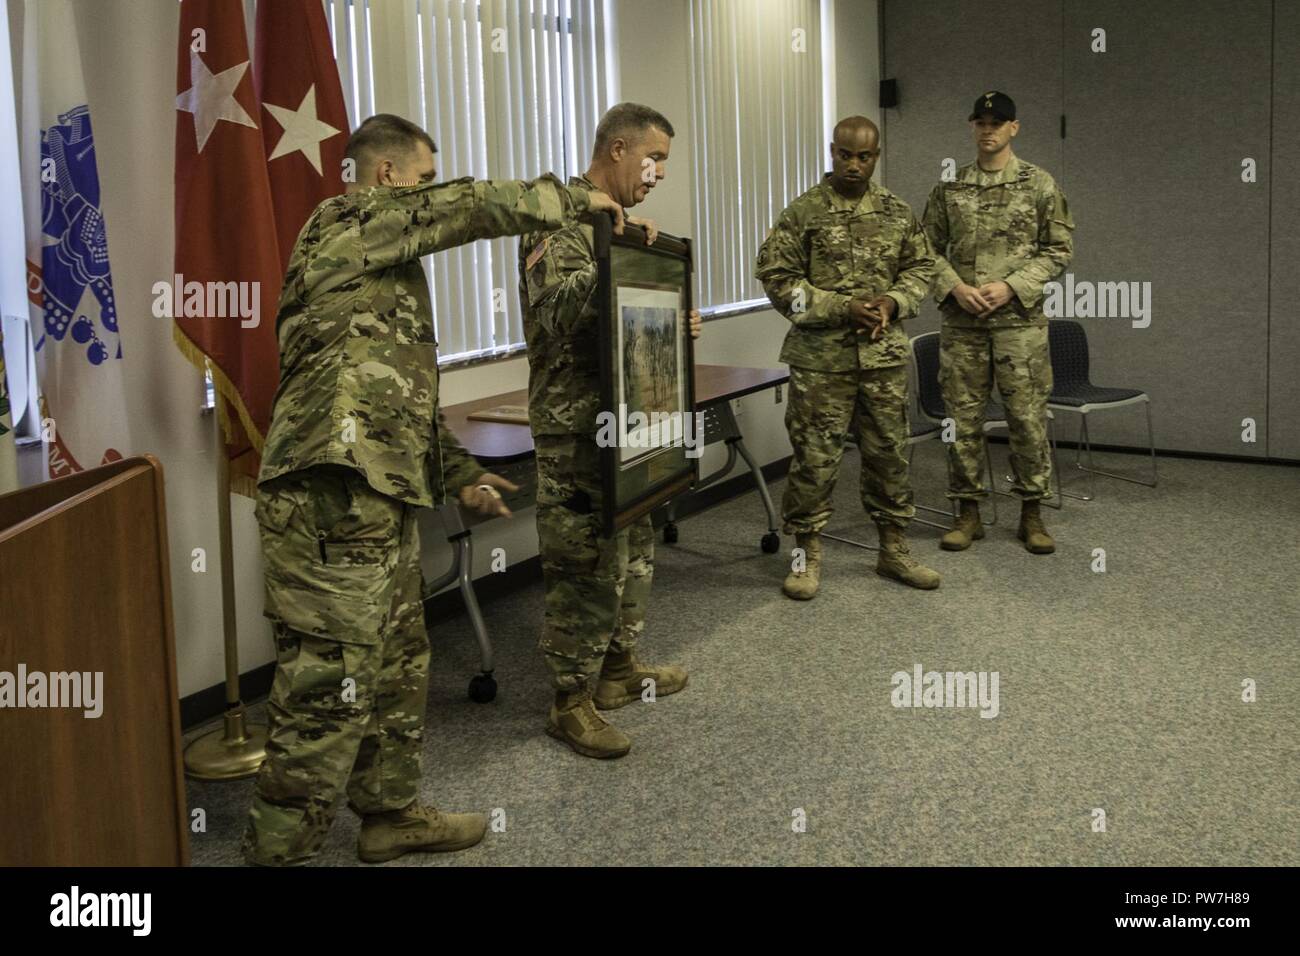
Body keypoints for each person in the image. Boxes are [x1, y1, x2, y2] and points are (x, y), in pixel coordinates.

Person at [243, 113, 624, 865]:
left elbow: (398, 397)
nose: (427, 190)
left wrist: (460, 475)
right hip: (327, 496)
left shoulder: (383, 276)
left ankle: (390, 816)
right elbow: (467, 206)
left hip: (375, 501)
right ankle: (276, 855)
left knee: (396, 664)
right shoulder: (347, 220)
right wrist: (571, 200)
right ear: (387, 177)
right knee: (327, 692)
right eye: (420, 176)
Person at [517, 103, 701, 760]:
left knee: (634, 551)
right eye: (653, 160)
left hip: (630, 422)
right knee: (583, 566)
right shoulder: (557, 225)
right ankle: (570, 702)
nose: (656, 176)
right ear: (618, 149)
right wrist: (618, 262)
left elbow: (627, 329)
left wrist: (671, 316)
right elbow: (560, 309)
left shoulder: (620, 228)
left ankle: (620, 673)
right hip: (575, 433)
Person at [755, 115, 939, 600]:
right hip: (821, 364)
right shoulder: (803, 213)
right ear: (831, 152)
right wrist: (842, 307)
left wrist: (894, 302)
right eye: (844, 154)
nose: (854, 164)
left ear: (876, 156)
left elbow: (922, 267)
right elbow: (778, 279)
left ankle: (893, 550)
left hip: (882, 360)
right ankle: (805, 557)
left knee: (890, 457)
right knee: (815, 462)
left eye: (864, 156)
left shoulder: (898, 212)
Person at [921, 91, 1074, 554]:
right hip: (963, 326)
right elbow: (923, 250)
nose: (988, 129)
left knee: (1026, 420)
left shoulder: (1039, 184)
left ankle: (1032, 513)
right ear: (972, 127)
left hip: (1019, 326)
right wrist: (954, 287)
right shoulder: (950, 188)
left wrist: (1011, 286)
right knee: (962, 421)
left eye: (997, 122)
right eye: (980, 121)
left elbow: (1059, 250)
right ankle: (967, 512)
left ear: (1014, 128)